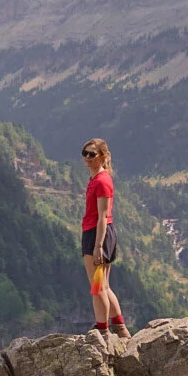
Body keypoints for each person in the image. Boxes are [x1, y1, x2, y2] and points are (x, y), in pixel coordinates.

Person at [80, 137, 127, 336]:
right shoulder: (96, 179)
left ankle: (103, 331)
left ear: (103, 156)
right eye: (85, 153)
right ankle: (120, 328)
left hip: (98, 235)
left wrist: (98, 246)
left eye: (92, 154)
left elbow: (103, 216)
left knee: (97, 287)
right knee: (103, 286)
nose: (87, 158)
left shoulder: (101, 181)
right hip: (97, 234)